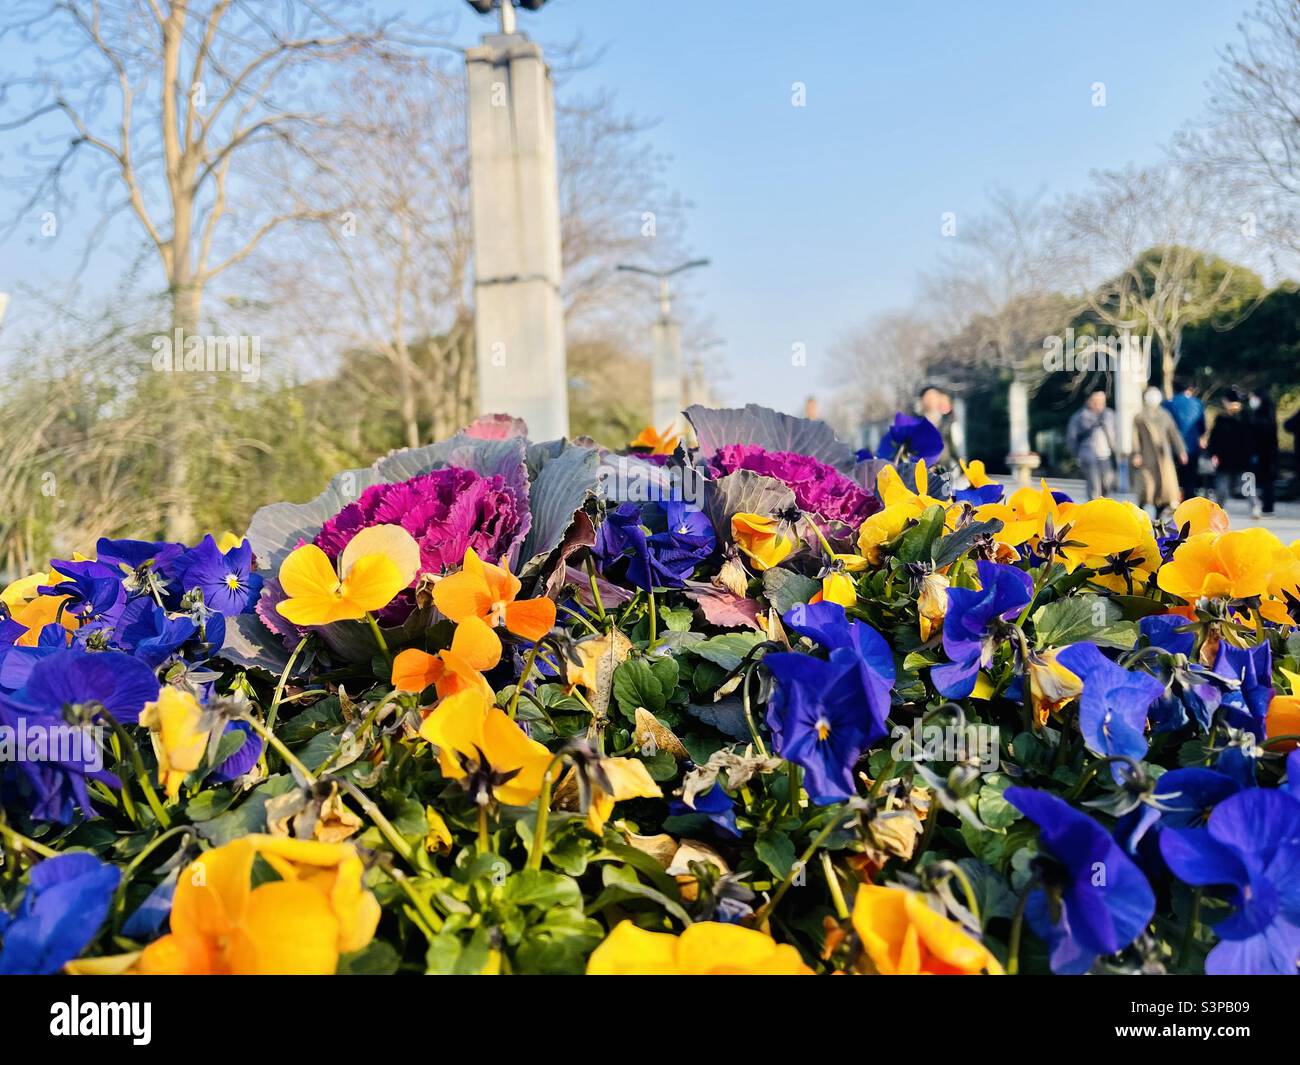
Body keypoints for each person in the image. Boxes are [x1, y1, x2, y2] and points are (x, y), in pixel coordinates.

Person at [1131, 386, 1187, 518]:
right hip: (1147, 456)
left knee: (1165, 486)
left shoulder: (1165, 415)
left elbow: (1174, 434)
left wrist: (1181, 451)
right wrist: (1136, 454)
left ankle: (1159, 512)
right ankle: (1141, 510)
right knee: (1147, 486)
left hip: (1164, 456)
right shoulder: (1139, 417)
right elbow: (1135, 438)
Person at [1066, 389, 1118, 500]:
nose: (1099, 404)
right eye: (1096, 401)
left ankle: (1105, 508)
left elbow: (1114, 433)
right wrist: (1077, 455)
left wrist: (1116, 450)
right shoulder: (1079, 417)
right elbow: (1072, 437)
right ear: (1089, 401)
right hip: (1088, 455)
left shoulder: (1109, 414)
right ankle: (1094, 510)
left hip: (1106, 455)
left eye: (1102, 401)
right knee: (1094, 486)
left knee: (1108, 483)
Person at [1207, 389, 1254, 509]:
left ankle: (1253, 506)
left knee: (1228, 485)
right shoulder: (1245, 417)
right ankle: (1254, 507)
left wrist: (1213, 453)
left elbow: (1214, 438)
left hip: (1234, 457)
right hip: (1235, 457)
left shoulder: (1242, 417)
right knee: (1245, 484)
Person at [1163, 378, 1206, 500]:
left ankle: (1174, 500)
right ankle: (1188, 503)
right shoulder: (1197, 404)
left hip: (1172, 448)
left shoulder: (1167, 404)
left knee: (1174, 477)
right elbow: (1202, 427)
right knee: (1190, 478)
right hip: (1192, 447)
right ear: (1189, 389)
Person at [1248, 388, 1278, 516]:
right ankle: (1265, 505)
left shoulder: (1263, 415)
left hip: (1265, 453)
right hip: (1265, 453)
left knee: (1266, 481)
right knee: (1265, 481)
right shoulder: (1264, 413)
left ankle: (1267, 506)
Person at [917, 384, 957, 464]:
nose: (930, 400)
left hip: (943, 466)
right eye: (927, 397)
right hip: (923, 467)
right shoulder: (916, 422)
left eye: (933, 397)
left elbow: (953, 448)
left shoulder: (947, 422)